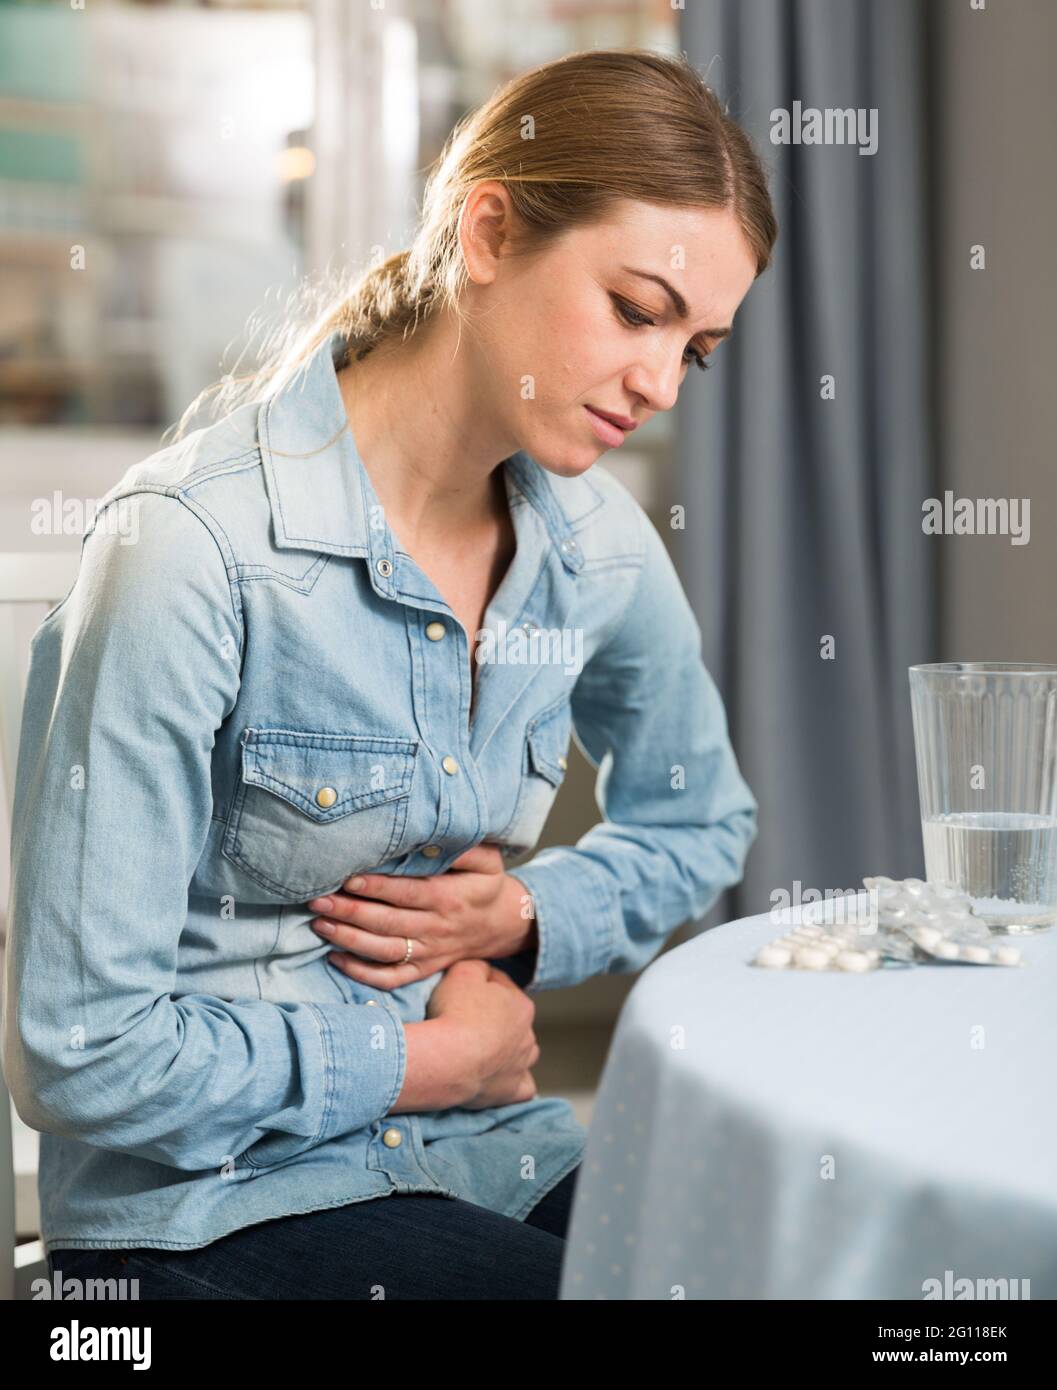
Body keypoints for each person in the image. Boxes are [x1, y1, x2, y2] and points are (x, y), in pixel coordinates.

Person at [4, 47, 776, 1300]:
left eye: (693, 349)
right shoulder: (190, 552)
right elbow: (81, 1056)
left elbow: (701, 818)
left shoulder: (593, 546)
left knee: (766, 1270)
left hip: (486, 1148)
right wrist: (425, 1063)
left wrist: (521, 918)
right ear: (487, 230)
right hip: (205, 1207)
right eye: (637, 310)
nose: (656, 381)